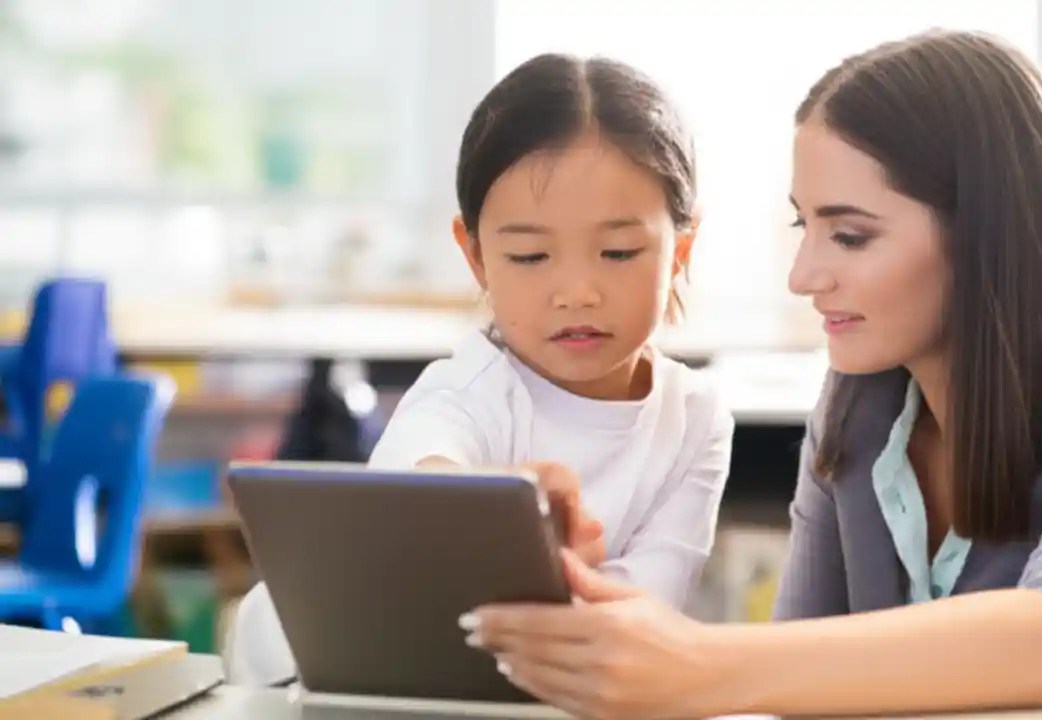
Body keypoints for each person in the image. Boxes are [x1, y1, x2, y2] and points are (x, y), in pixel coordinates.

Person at [463, 30, 1042, 720]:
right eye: (806, 226)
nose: (805, 275)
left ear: (984, 232)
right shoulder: (863, 401)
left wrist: (695, 663)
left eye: (850, 235)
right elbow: (800, 681)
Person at [227, 53, 735, 687]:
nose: (576, 290)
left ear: (680, 252)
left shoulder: (697, 417)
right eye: (529, 255)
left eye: (618, 251)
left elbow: (647, 612)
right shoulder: (464, 392)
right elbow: (414, 490)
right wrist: (502, 509)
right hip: (305, 671)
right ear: (477, 258)